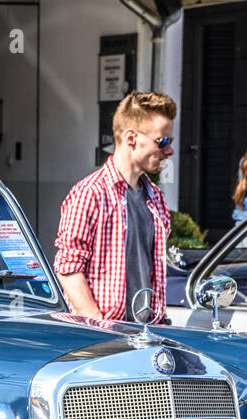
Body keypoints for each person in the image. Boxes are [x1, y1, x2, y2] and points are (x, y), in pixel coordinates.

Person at [54, 91, 175, 323]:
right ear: (131, 138)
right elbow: (68, 268)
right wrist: (98, 326)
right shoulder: (90, 193)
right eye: (162, 141)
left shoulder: (155, 198)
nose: (169, 151)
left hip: (146, 335)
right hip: (101, 338)